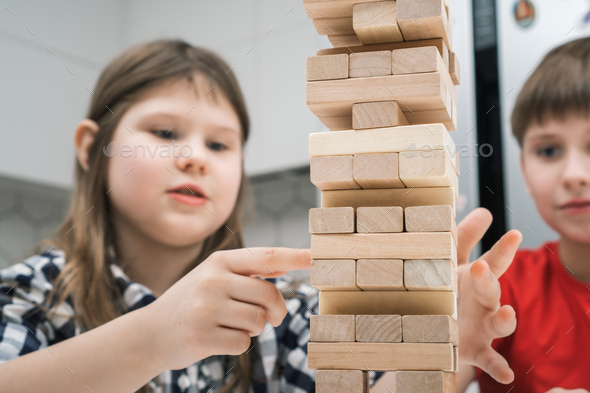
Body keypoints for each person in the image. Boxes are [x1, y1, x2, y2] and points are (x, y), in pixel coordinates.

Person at [0, 39, 523, 393]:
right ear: (93, 149)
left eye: (220, 144)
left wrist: (439, 347)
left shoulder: (286, 314)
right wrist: (154, 337)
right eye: (164, 133)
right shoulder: (31, 294)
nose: (195, 156)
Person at [457, 37, 590, 393]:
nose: (574, 174)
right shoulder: (498, 288)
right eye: (548, 150)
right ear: (525, 170)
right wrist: (433, 338)